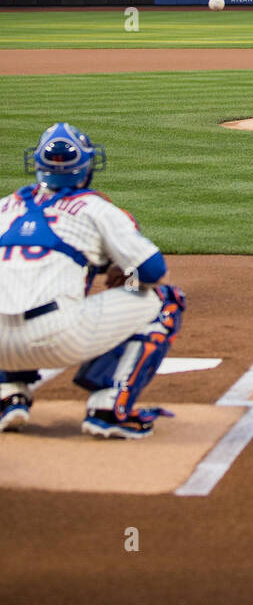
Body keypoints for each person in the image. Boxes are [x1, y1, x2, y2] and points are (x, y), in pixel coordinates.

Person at [0, 122, 185, 439]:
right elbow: (155, 272)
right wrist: (125, 275)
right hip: (56, 337)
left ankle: (8, 395)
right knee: (166, 299)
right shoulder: (94, 208)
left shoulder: (4, 206)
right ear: (85, 167)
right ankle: (109, 406)